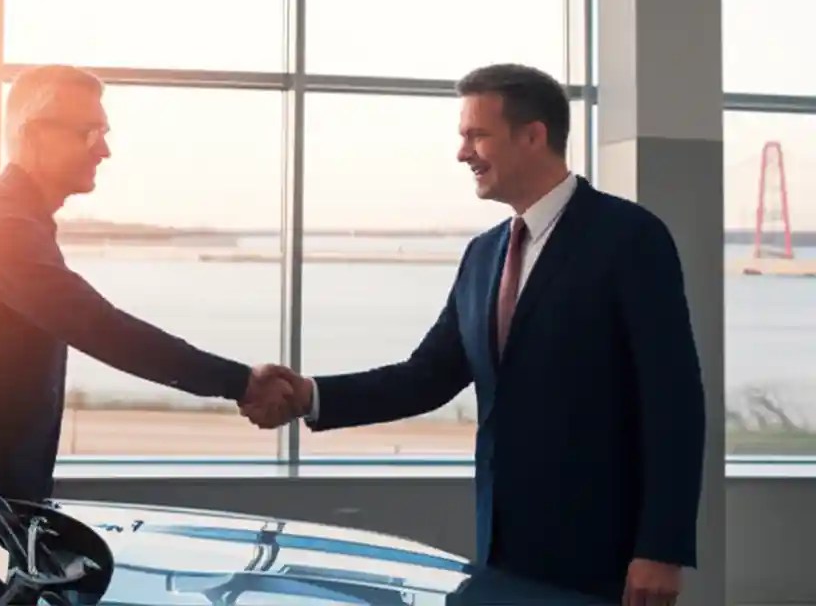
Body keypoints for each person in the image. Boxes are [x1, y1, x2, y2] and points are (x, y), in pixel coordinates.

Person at [242, 63, 705, 604]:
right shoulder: (483, 254)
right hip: (501, 546)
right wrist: (309, 395)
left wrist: (661, 548)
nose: (463, 153)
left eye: (476, 135)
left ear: (533, 136)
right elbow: (428, 377)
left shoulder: (630, 238)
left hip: (606, 557)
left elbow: (673, 402)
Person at [0, 64, 292, 503]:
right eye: (90, 133)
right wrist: (239, 382)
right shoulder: (0, 227)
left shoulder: (18, 220)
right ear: (35, 135)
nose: (105, 151)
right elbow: (95, 325)